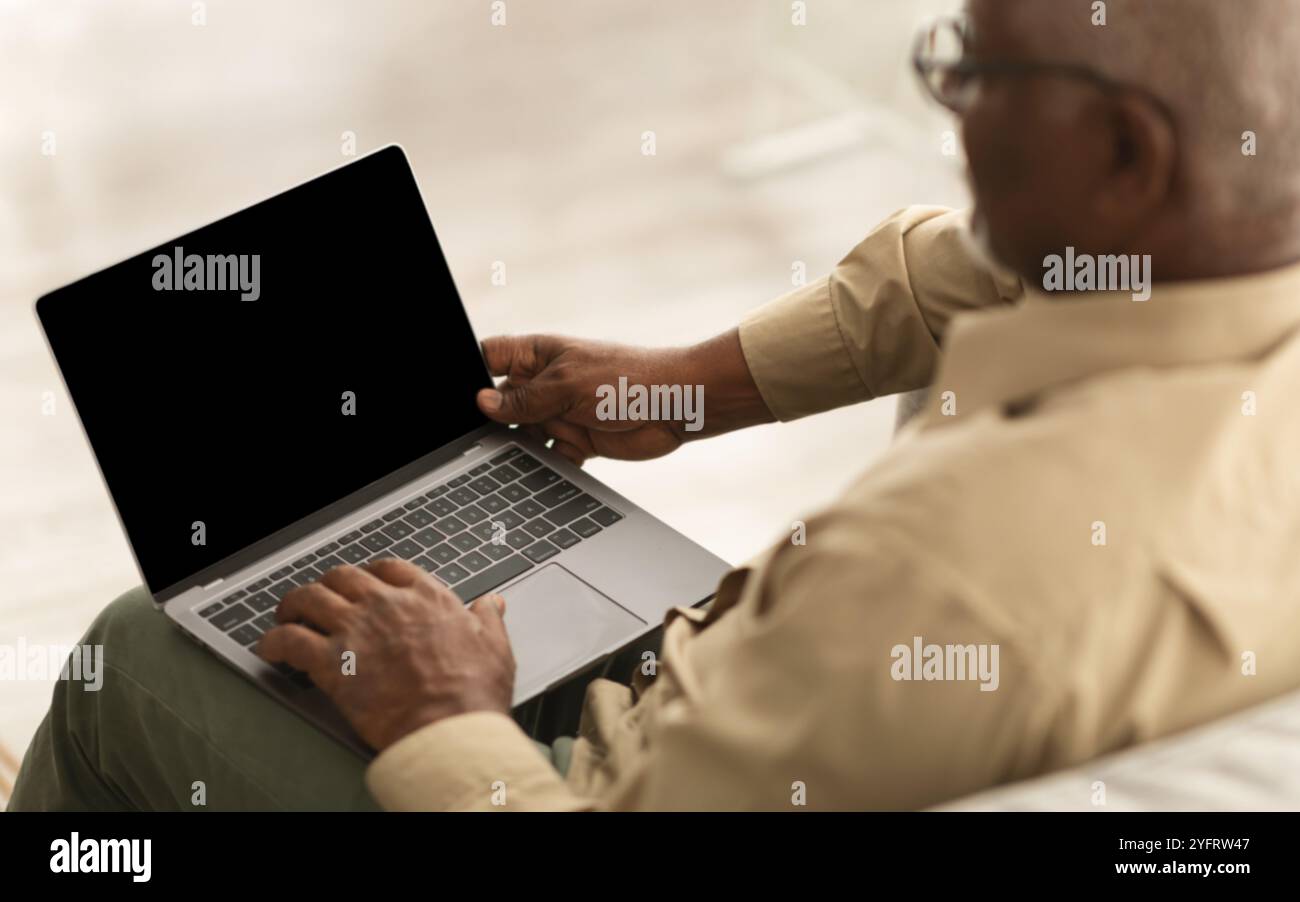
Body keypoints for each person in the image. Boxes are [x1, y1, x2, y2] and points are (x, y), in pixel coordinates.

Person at [13, 0, 1300, 811]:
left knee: (132, 650)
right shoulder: (1233, 261)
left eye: (977, 69)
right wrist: (684, 384)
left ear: (1128, 156)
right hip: (749, 691)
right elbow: (959, 271)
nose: (952, 104)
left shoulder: (940, 573)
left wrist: (442, 713)